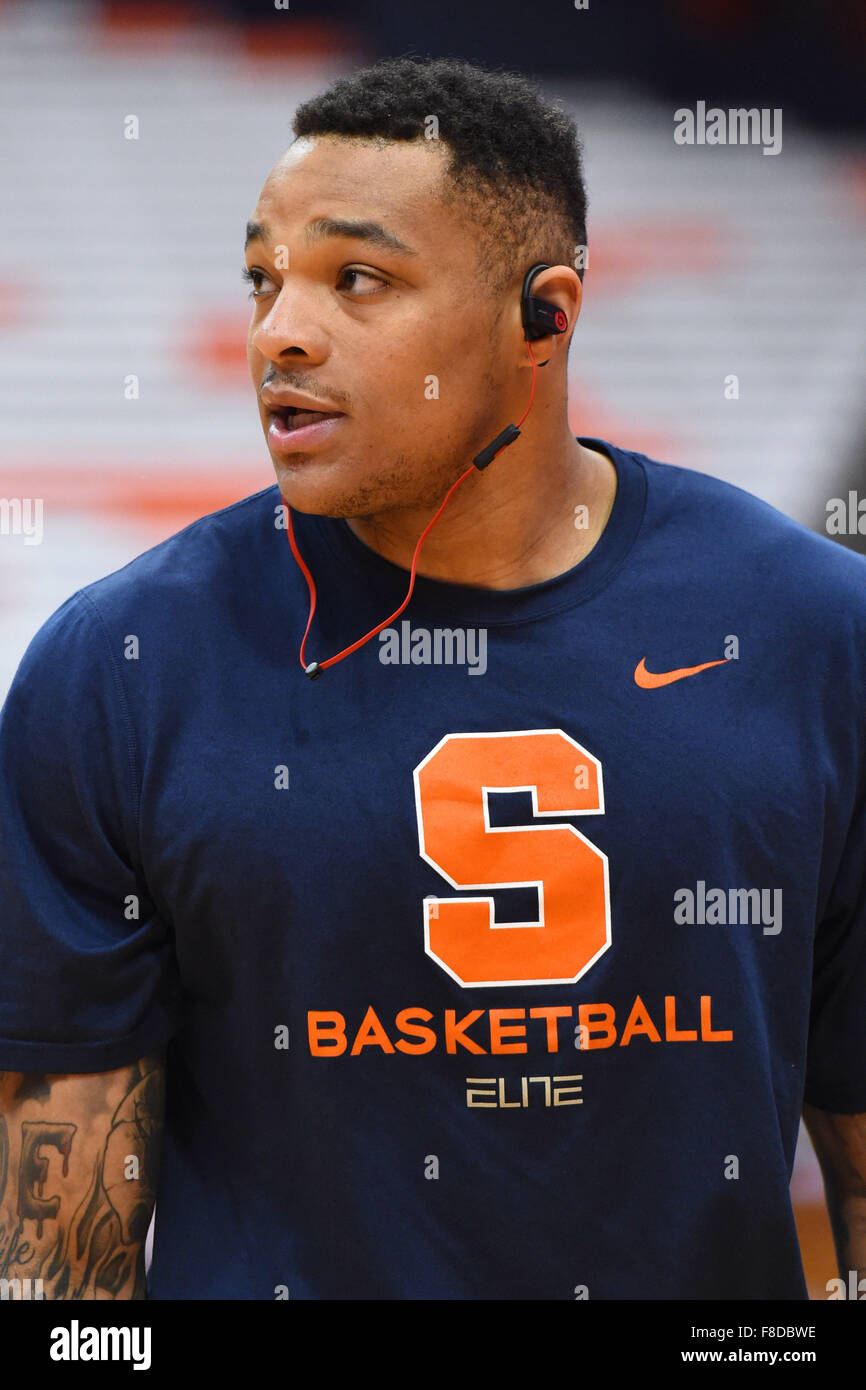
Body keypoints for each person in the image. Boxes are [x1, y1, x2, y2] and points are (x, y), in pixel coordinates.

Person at [1, 55, 864, 1301]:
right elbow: (59, 1259)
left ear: (545, 315)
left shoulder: (810, 632)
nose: (280, 331)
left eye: (358, 279)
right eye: (263, 278)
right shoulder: (120, 670)